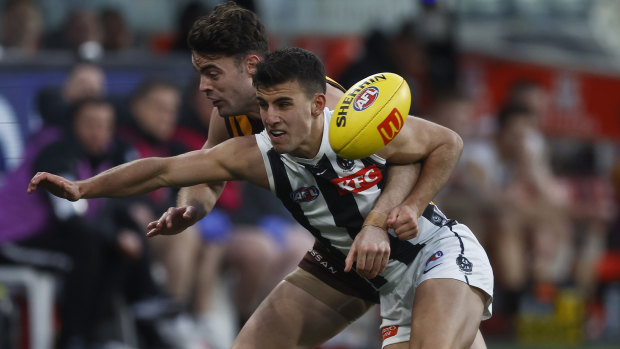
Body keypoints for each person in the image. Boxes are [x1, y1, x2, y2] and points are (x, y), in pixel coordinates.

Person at [28, 47, 493, 349]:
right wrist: (83, 188)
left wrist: (399, 212)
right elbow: (165, 169)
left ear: (316, 105)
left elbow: (442, 143)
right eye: (266, 105)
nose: (271, 117)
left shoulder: (353, 121)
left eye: (283, 105)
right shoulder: (253, 151)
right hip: (357, 268)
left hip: (433, 252)